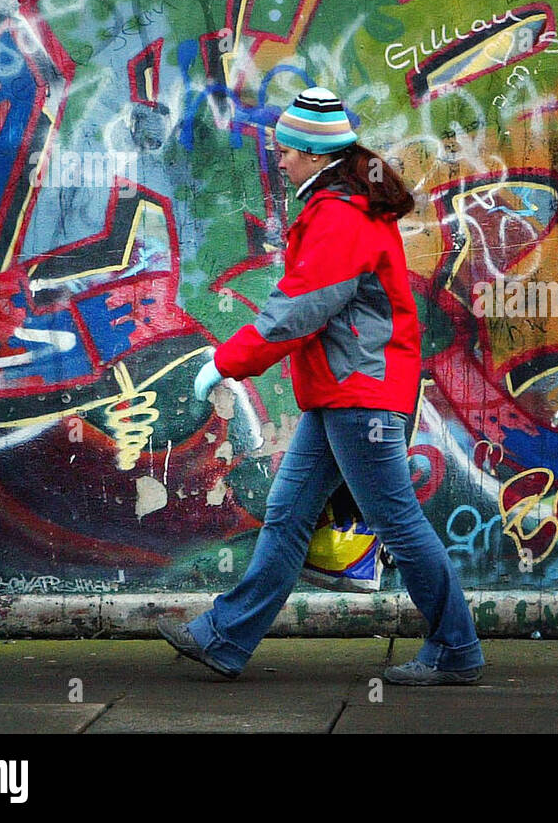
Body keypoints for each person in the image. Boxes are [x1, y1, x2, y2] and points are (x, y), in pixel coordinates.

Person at [157, 86, 484, 685]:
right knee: (287, 514)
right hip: (345, 394)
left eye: (285, 151)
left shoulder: (339, 216)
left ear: (312, 154)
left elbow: (298, 308)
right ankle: (226, 638)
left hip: (361, 395)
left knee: (397, 524)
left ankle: (457, 649)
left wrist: (226, 362)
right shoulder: (342, 206)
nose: (278, 160)